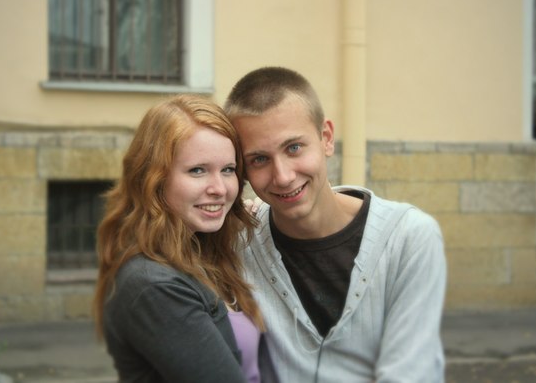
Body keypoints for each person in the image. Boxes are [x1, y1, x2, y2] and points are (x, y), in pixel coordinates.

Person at [224, 67, 447, 383]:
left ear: (326, 138)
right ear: (243, 170)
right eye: (259, 159)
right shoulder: (238, 240)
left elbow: (410, 374)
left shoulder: (409, 238)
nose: (283, 177)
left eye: (294, 148)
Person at [93, 95, 264, 383]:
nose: (220, 189)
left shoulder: (204, 250)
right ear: (154, 179)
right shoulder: (154, 286)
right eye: (197, 170)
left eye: (228, 169)